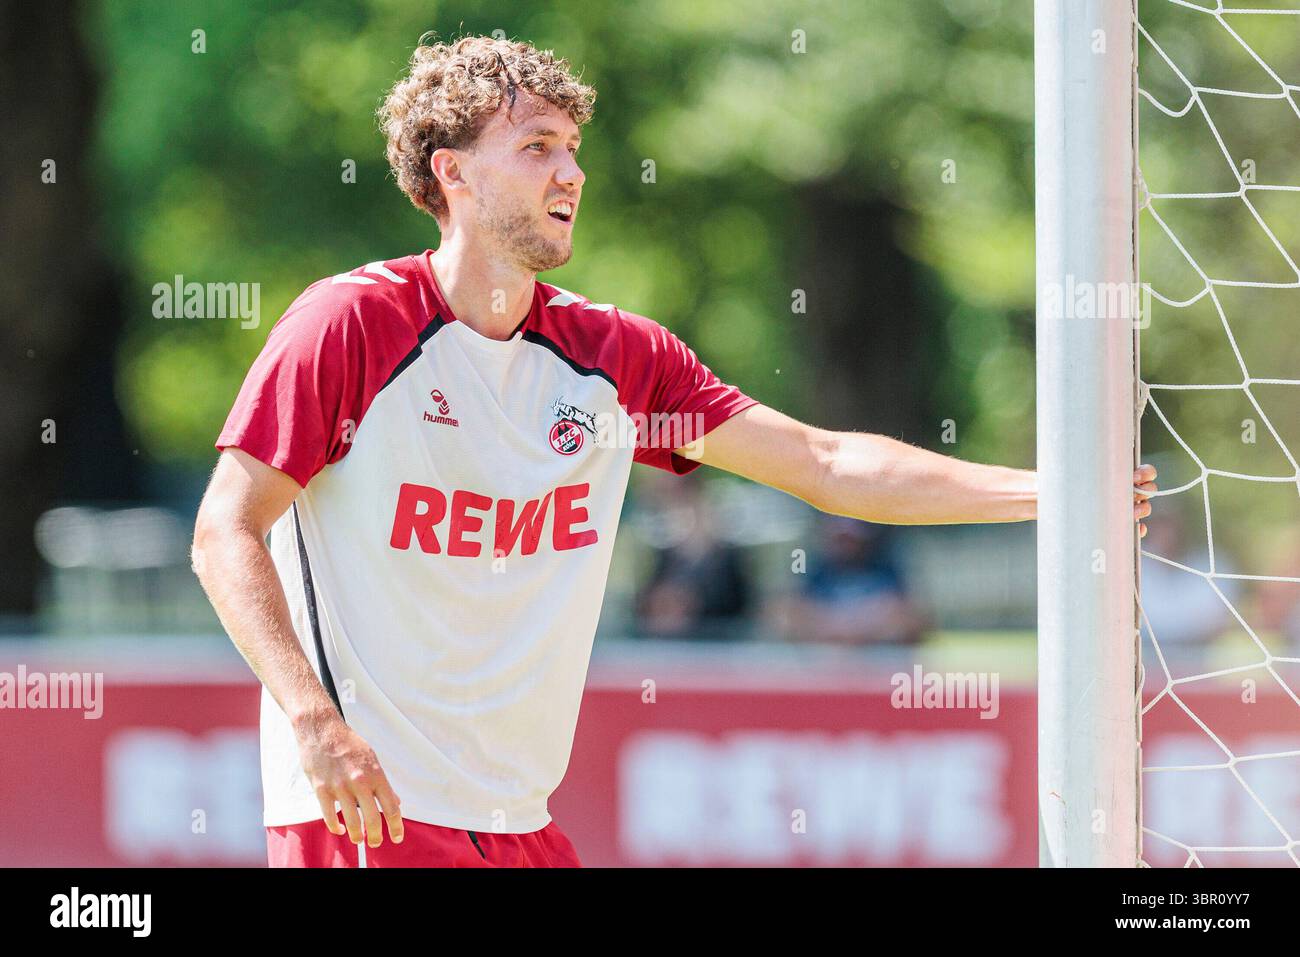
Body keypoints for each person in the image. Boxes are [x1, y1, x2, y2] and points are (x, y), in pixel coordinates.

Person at [190, 35, 1158, 868]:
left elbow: (823, 462)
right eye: (535, 148)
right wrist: (315, 723)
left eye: (572, 149)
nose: (570, 172)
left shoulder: (616, 360)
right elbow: (224, 531)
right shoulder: (351, 325)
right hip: (369, 817)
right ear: (451, 173)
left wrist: (1059, 494)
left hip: (518, 826)